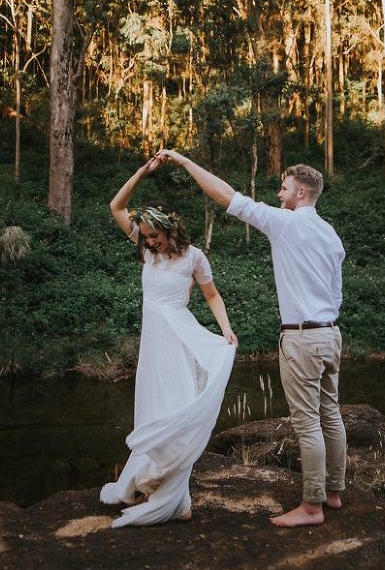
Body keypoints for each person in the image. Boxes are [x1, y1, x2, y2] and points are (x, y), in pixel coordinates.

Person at [156, 150, 345, 528]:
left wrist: (187, 163)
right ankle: (333, 493)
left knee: (307, 423)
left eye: (284, 188)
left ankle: (312, 507)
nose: (279, 195)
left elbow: (227, 197)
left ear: (302, 194)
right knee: (331, 414)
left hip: (302, 339)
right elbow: (336, 293)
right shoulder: (331, 234)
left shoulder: (287, 224)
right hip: (330, 334)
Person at [100, 157, 238, 528]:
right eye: (144, 235)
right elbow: (116, 206)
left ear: (169, 228)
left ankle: (179, 499)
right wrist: (142, 172)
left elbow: (212, 295)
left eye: (152, 234)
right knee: (152, 414)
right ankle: (158, 487)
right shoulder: (146, 251)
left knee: (176, 417)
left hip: (179, 344)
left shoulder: (194, 257)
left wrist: (225, 330)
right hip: (152, 350)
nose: (148, 240)